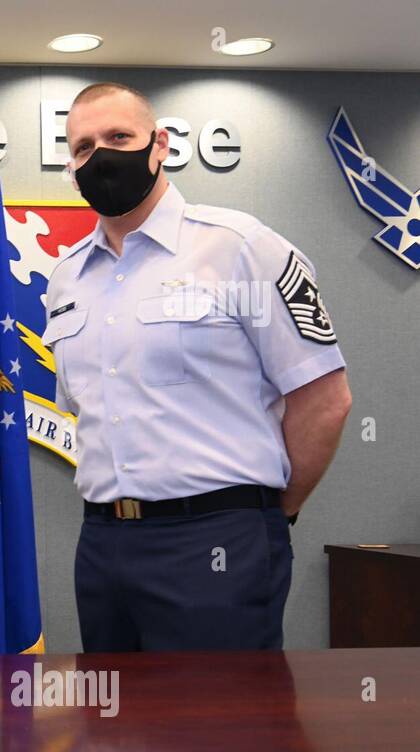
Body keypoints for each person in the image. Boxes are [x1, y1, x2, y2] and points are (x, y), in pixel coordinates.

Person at [43, 82, 352, 651]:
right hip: (103, 542)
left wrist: (264, 518)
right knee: (114, 732)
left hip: (219, 539)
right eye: (84, 147)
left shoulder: (240, 247)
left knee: (220, 733)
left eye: (119, 137)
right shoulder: (67, 276)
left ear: (159, 144)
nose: (101, 156)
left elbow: (325, 399)